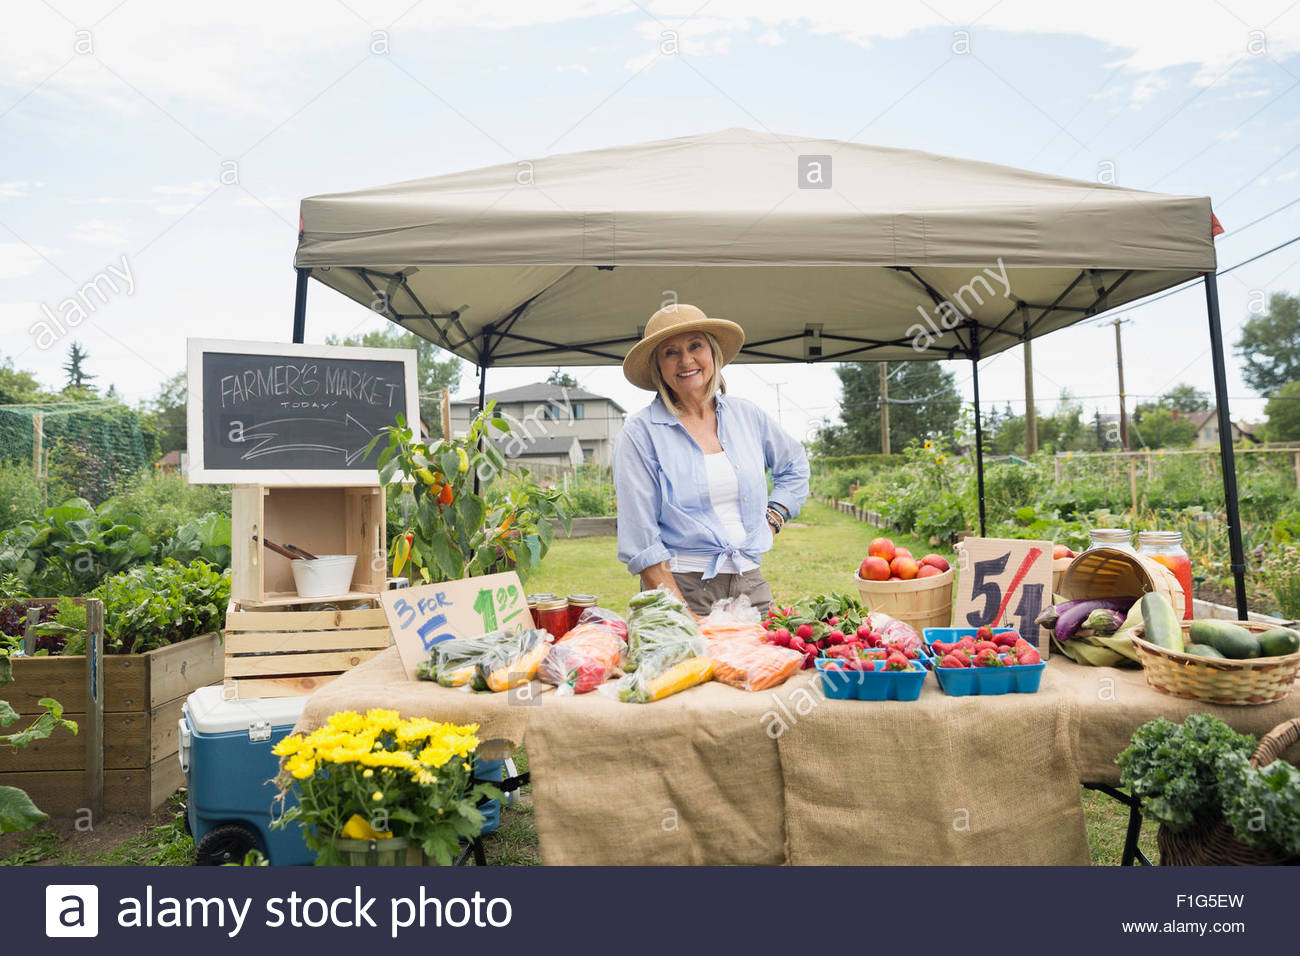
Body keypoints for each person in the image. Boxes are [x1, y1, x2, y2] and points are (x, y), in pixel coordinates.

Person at [613, 303, 810, 616]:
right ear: (658, 367)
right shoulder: (640, 434)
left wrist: (773, 517)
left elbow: (795, 465)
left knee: (762, 664)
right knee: (695, 666)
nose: (686, 360)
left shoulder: (747, 416)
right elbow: (641, 543)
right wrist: (685, 617)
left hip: (749, 582)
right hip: (679, 587)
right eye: (670, 352)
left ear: (713, 353)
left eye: (695, 346)